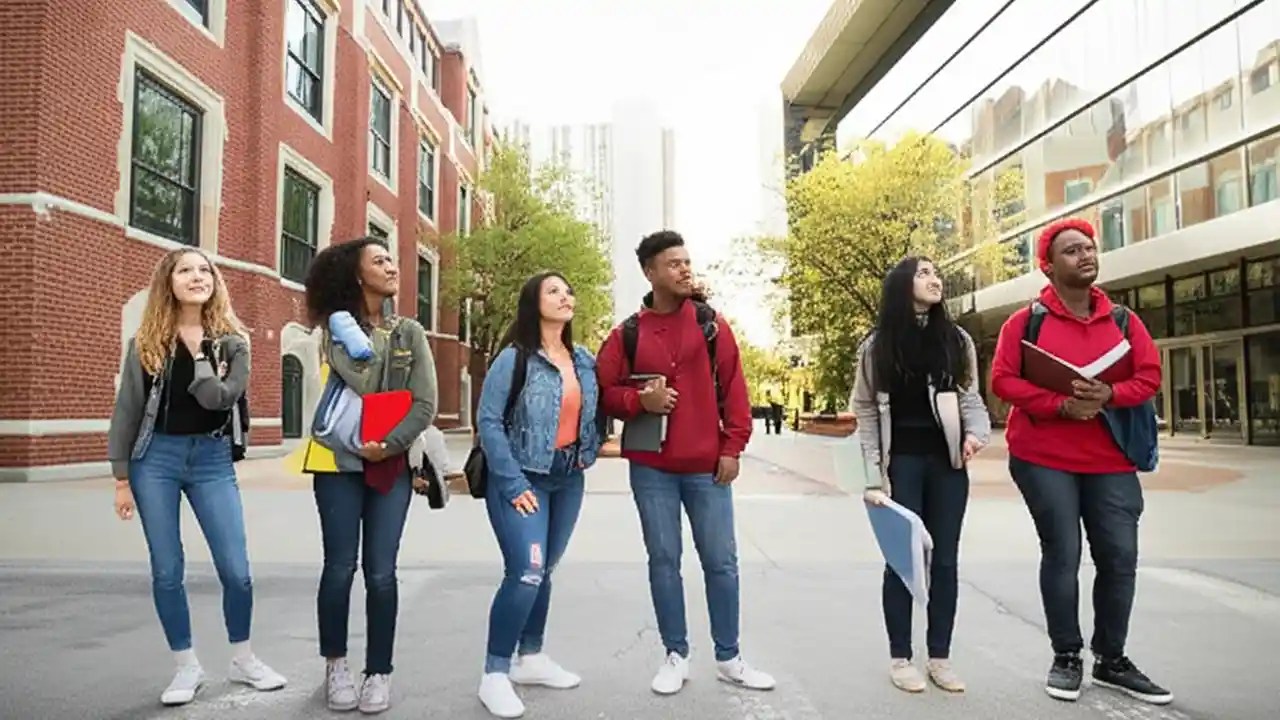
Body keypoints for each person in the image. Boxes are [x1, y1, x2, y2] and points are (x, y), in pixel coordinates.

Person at [990, 218, 1169, 705]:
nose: (1085, 256)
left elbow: (1149, 376)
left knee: (1119, 557)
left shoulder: (1125, 322)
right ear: (1048, 266)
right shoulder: (1024, 324)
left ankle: (1112, 659)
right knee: (1063, 553)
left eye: (1089, 248)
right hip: (1043, 455)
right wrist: (1059, 404)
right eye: (1072, 251)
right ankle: (1066, 655)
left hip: (1110, 458)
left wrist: (1110, 393)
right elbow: (1004, 380)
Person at [597, 230, 775, 695]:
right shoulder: (627, 333)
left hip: (707, 467)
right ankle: (675, 654)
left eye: (686, 261)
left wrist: (733, 447)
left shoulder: (712, 324)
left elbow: (735, 389)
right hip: (652, 469)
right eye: (673, 263)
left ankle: (729, 656)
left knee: (722, 562)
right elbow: (604, 391)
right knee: (663, 560)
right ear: (650, 272)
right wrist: (641, 401)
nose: (683, 269)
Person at [107, 248, 286, 706]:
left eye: (204, 270)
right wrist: (122, 478)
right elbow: (127, 411)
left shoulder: (233, 341)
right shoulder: (147, 341)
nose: (196, 276)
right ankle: (186, 666)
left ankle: (243, 659)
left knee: (237, 570)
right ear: (168, 281)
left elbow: (218, 399)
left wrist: (204, 355)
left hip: (211, 460)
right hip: (156, 460)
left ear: (215, 281)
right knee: (167, 569)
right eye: (185, 270)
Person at [303, 236, 439, 714]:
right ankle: (335, 665)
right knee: (340, 568)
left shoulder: (412, 333)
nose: (391, 266)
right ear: (357, 275)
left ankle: (378, 672)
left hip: (392, 463)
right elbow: (362, 379)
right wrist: (357, 333)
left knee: (382, 573)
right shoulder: (333, 328)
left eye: (391, 258)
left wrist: (392, 444)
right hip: (338, 461)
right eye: (378, 260)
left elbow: (425, 403)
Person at [849, 256, 991, 694]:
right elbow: (865, 409)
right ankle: (900, 657)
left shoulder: (957, 339)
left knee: (944, 560)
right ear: (902, 285)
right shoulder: (878, 345)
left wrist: (976, 435)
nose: (935, 279)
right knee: (903, 559)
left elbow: (970, 397)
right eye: (924, 273)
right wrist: (873, 477)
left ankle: (940, 658)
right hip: (900, 465)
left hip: (947, 464)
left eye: (936, 273)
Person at [474, 272, 603, 718]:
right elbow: (489, 421)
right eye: (554, 291)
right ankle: (494, 673)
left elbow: (597, 412)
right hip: (521, 477)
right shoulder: (515, 358)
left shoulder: (584, 359)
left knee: (545, 568)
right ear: (534, 303)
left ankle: (530, 658)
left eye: (569, 290)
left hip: (568, 478)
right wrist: (511, 483)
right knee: (526, 570)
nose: (566, 296)